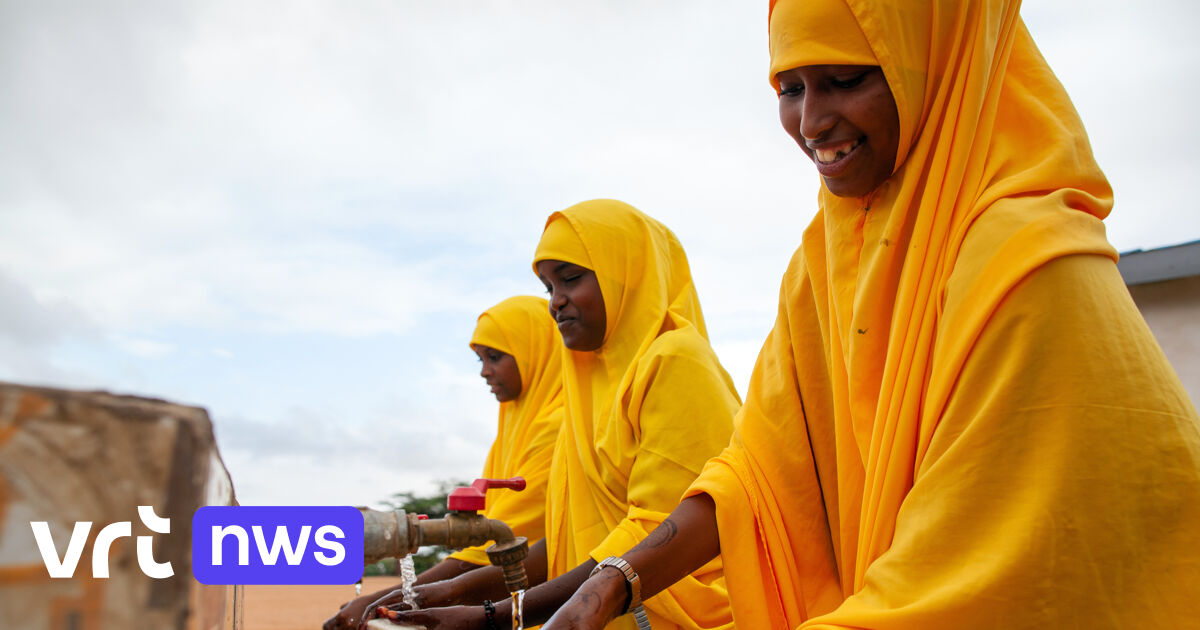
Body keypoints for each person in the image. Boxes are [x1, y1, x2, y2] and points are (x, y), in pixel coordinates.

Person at [544, 1, 1200, 628]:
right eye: (789, 88)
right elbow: (756, 473)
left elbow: (976, 585)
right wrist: (617, 579)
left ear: (938, 66)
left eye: (845, 80)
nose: (811, 123)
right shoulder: (821, 266)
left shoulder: (1028, 267)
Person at [382, 200, 741, 629]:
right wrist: (451, 593)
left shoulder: (675, 360)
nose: (556, 301)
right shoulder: (590, 389)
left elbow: (655, 533)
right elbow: (571, 540)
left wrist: (493, 616)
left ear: (628, 274)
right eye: (548, 287)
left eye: (570, 279)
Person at [324, 295, 565, 630]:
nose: (484, 371)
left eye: (494, 357)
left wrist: (388, 599)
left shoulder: (557, 428)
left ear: (537, 351)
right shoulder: (513, 430)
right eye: (480, 359)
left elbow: (494, 547)